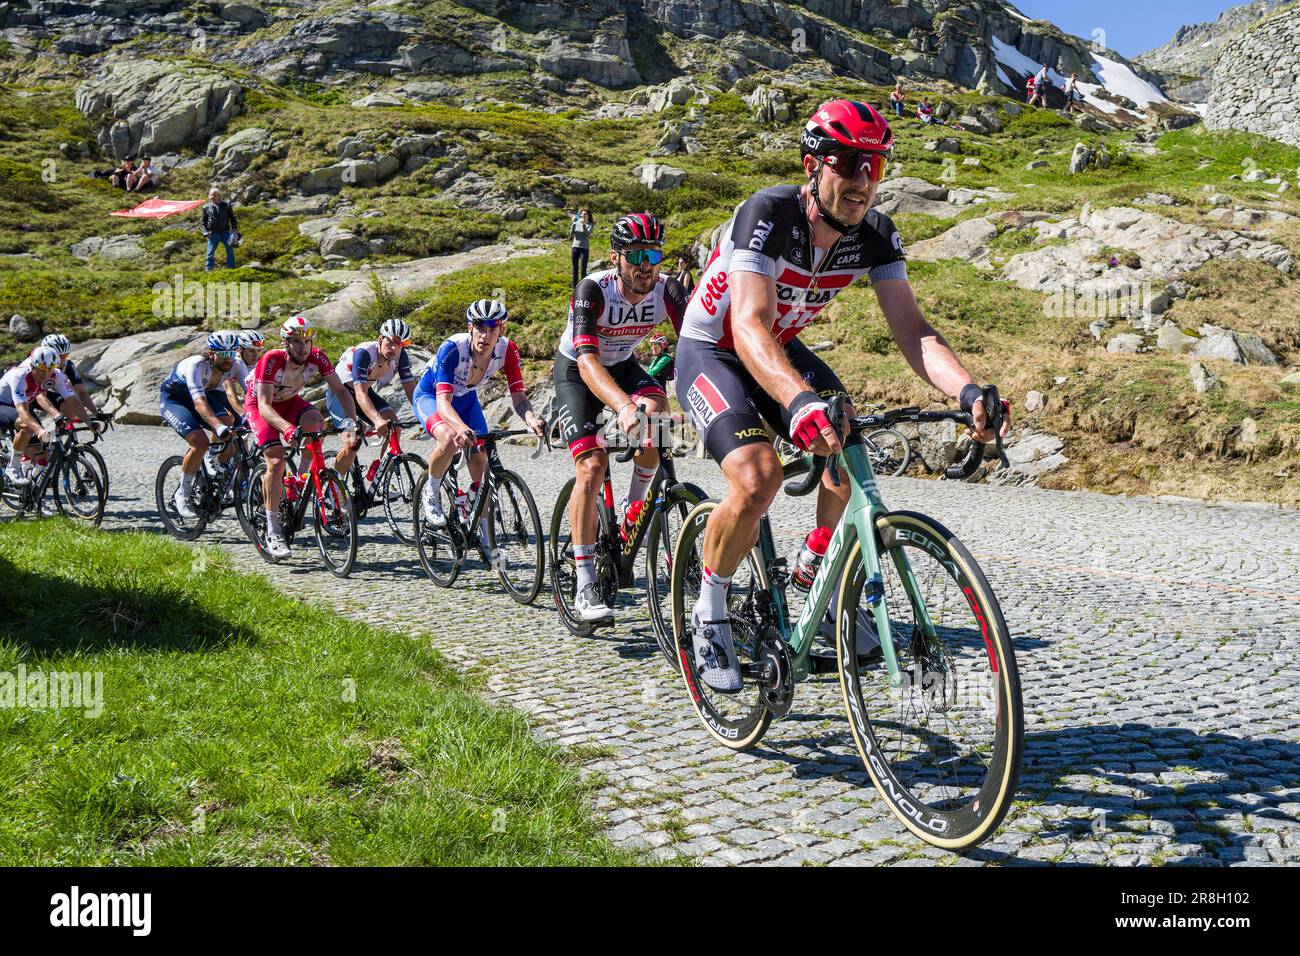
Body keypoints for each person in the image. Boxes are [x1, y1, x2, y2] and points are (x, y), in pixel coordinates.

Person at [673, 99, 1009, 692]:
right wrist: (798, 401)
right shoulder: (768, 214)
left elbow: (913, 331)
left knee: (849, 447)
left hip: (779, 347)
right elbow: (748, 323)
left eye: (875, 166)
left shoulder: (875, 234)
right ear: (813, 164)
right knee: (758, 479)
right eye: (849, 162)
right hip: (716, 349)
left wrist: (967, 389)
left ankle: (816, 580)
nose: (863, 180)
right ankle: (710, 611)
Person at [552, 212, 688, 622]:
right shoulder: (593, 289)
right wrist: (624, 407)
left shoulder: (668, 290)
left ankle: (633, 511)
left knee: (658, 414)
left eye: (654, 254)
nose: (647, 264)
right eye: (637, 255)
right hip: (578, 370)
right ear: (616, 257)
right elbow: (588, 361)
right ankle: (585, 581)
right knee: (592, 468)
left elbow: (697, 343)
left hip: (625, 363)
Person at [412, 300, 546, 549]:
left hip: (466, 399)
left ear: (501, 330)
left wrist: (532, 419)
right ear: (470, 327)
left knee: (481, 460)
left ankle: (484, 531)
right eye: (479, 327)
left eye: (492, 328)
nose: (485, 335)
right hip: (431, 397)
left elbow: (518, 397)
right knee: (449, 437)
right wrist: (460, 428)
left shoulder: (508, 350)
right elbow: (443, 404)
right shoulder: (452, 349)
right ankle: (431, 492)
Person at [247, 315, 357, 558]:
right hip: (261, 406)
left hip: (290, 402)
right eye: (296, 342)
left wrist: (351, 422)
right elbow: (264, 406)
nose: (302, 347)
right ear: (285, 342)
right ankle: (273, 530)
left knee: (316, 424)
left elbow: (340, 389)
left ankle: (300, 478)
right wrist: (286, 428)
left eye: (306, 342)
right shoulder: (271, 359)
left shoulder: (317, 356)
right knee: (276, 463)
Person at [157, 332, 245, 518]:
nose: (228, 359)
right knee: (200, 442)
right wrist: (218, 428)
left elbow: (253, 394)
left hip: (207, 394)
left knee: (234, 425)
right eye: (223, 354)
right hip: (176, 399)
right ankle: (182, 493)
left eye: (231, 353)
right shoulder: (196, 364)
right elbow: (199, 404)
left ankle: (214, 464)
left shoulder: (236, 364)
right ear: (211, 353)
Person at [329, 318, 419, 480]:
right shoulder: (364, 353)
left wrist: (426, 416)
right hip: (340, 392)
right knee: (352, 442)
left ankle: (381, 478)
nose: (393, 348)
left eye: (399, 344)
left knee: (395, 428)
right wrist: (377, 420)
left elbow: (411, 389)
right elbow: (360, 393)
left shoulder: (400, 356)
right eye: (390, 342)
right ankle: (334, 487)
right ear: (380, 339)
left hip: (363, 391)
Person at [0, 346, 66, 486]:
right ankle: (13, 468)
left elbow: (73, 400)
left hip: (17, 408)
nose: (46, 375)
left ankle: (31, 494)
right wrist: (39, 430)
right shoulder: (19, 376)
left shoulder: (56, 375)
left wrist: (89, 422)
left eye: (50, 370)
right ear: (32, 366)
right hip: (3, 405)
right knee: (28, 427)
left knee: (37, 450)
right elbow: (23, 412)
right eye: (42, 370)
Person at [37, 333, 101, 426]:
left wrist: (96, 413)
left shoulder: (68, 365)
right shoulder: (37, 365)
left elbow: (81, 391)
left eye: (65, 355)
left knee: (69, 406)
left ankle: (63, 431)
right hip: (31, 394)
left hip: (48, 390)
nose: (63, 360)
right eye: (59, 356)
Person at [201, 187, 239, 272]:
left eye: (215, 194)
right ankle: (209, 271)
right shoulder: (206, 207)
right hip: (213, 234)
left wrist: (234, 229)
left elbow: (233, 218)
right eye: (211, 194)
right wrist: (206, 233)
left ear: (219, 195)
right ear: (209, 196)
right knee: (210, 254)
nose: (213, 196)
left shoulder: (226, 205)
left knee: (230, 251)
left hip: (225, 233)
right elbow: (203, 223)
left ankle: (231, 270)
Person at [570, 209, 594, 288]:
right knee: (575, 269)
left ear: (588, 216)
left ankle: (583, 288)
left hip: (584, 249)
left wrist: (583, 224)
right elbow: (571, 233)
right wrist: (573, 223)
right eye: (582, 214)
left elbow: (586, 233)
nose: (583, 216)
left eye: (585, 214)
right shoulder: (576, 223)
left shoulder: (590, 225)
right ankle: (574, 287)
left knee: (583, 270)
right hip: (575, 247)